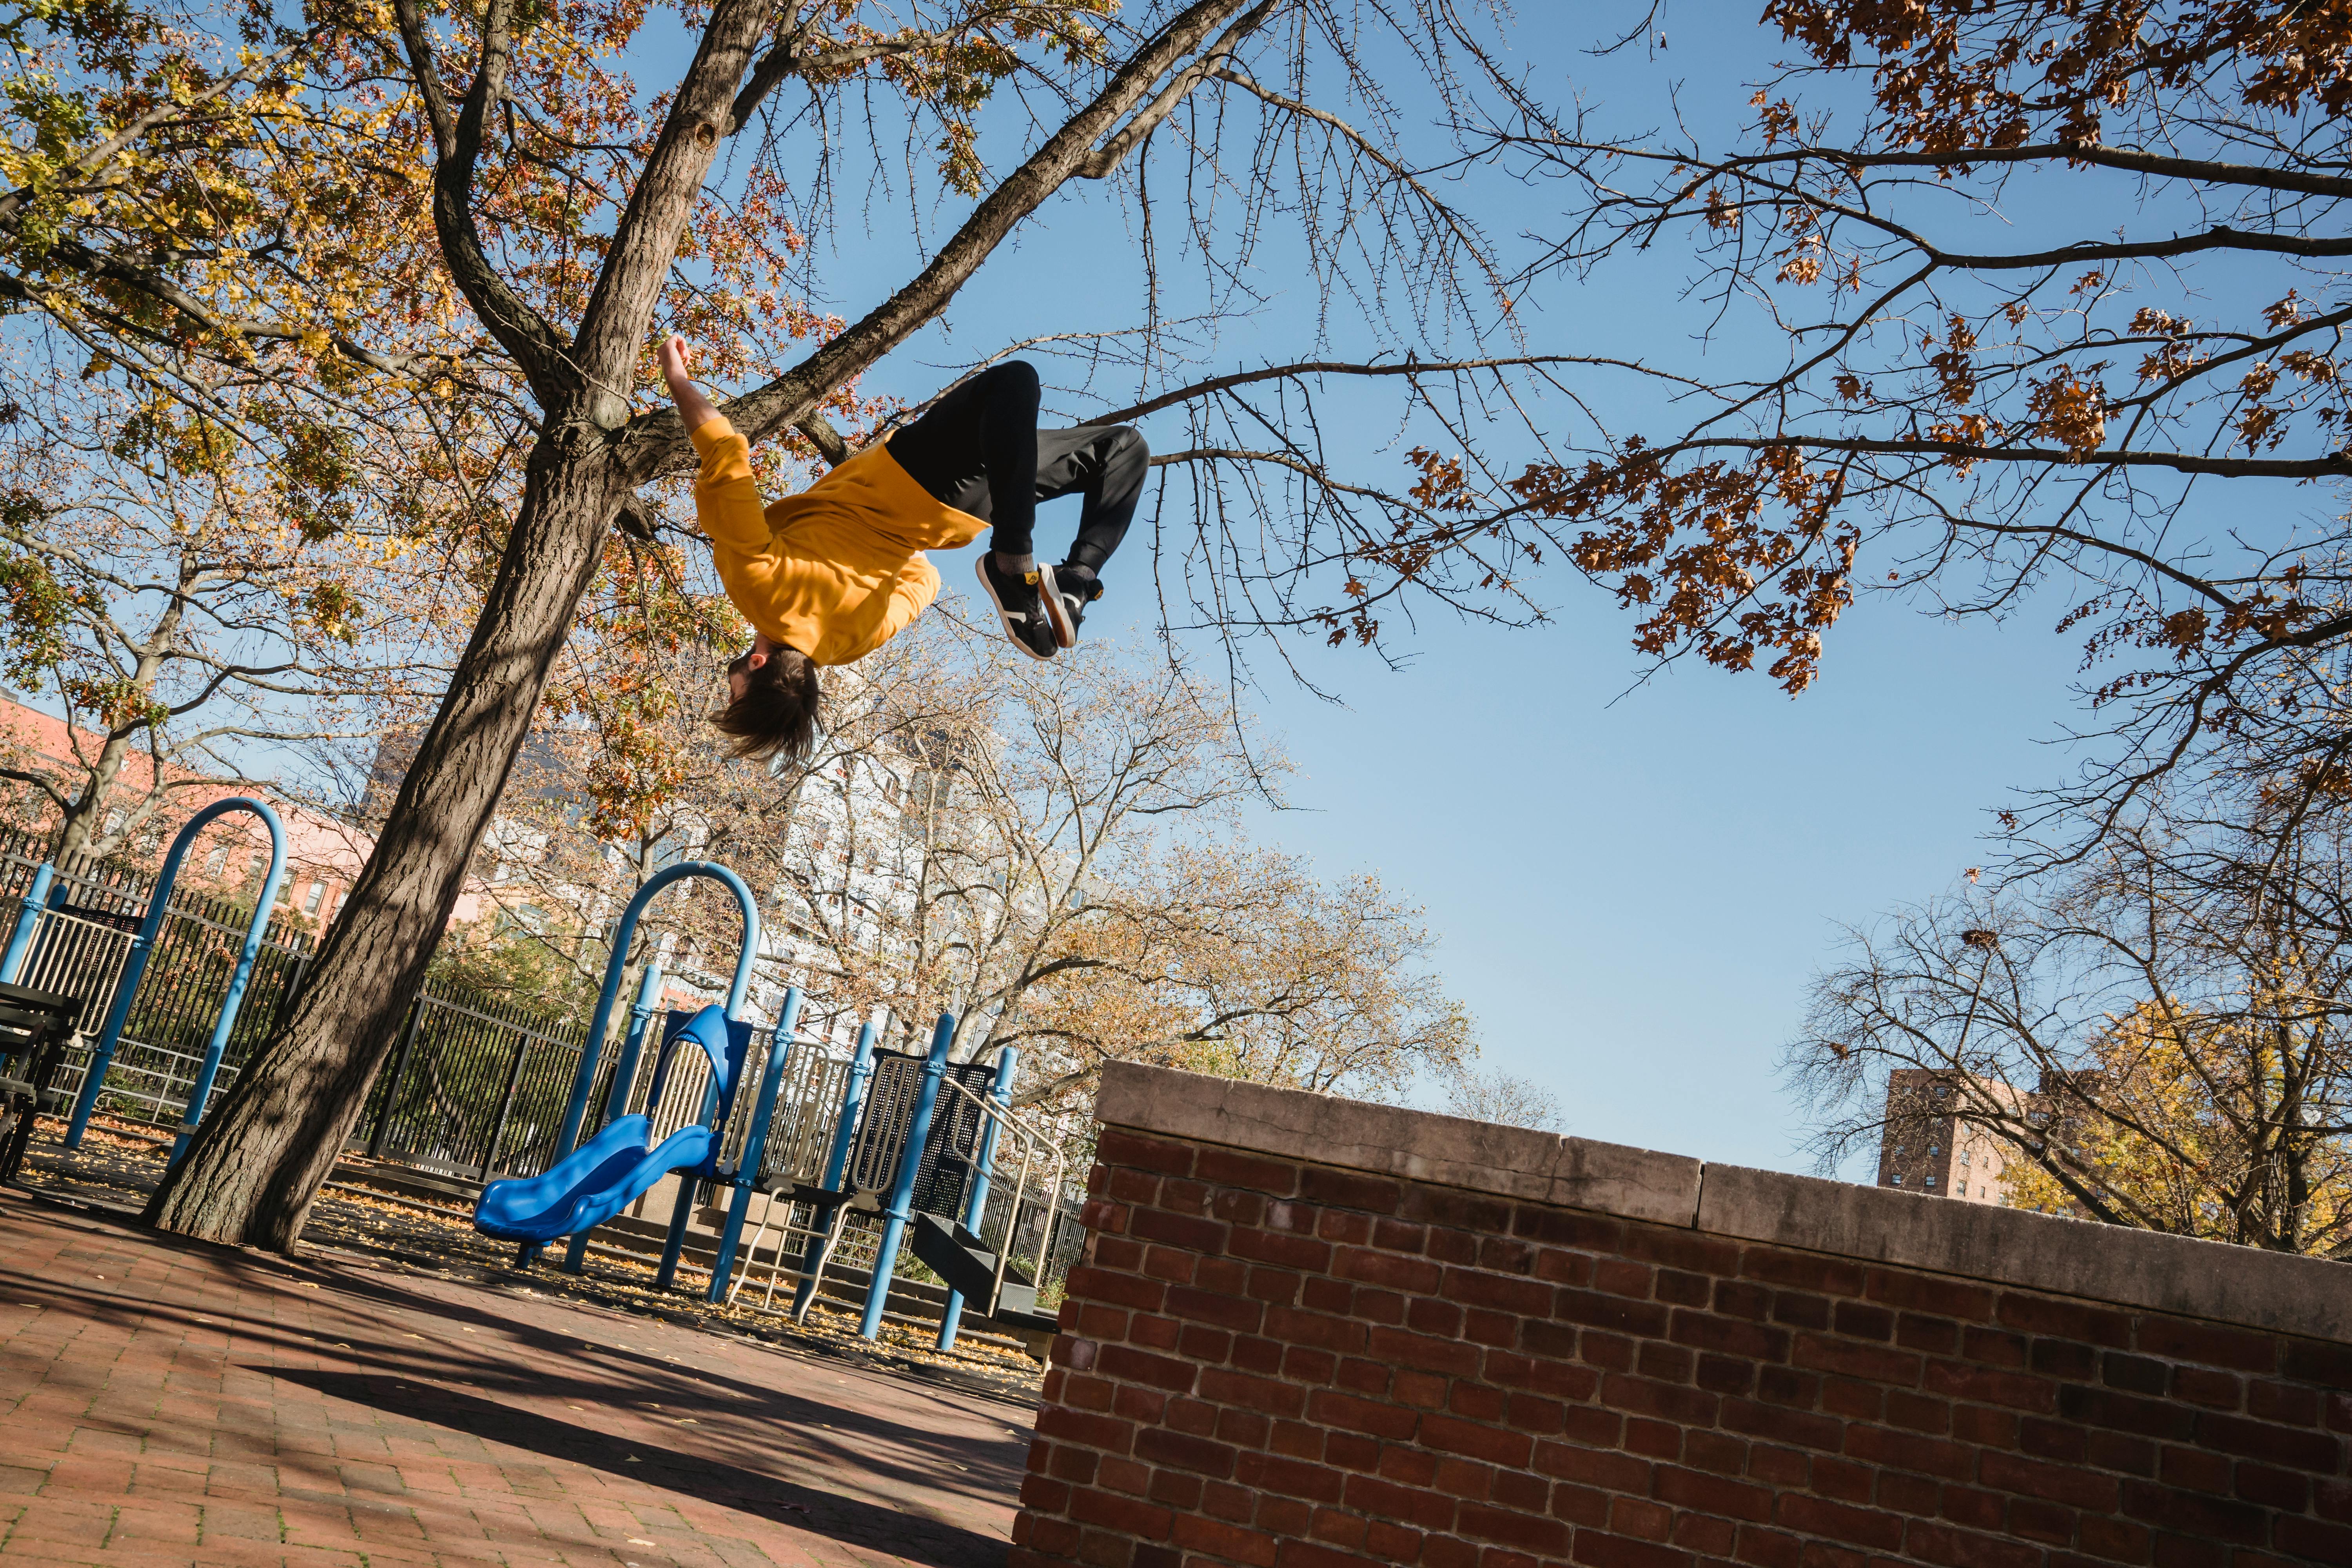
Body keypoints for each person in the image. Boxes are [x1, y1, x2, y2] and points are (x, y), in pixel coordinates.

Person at [658, 335, 1148, 764]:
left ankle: (1078, 578)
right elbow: (726, 454)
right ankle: (1016, 563)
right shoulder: (751, 582)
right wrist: (677, 377)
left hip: (969, 506)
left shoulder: (847, 646)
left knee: (1124, 448)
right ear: (758, 666)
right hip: (919, 467)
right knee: (1017, 381)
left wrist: (895, 542)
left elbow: (924, 582)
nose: (729, 684)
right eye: (734, 690)